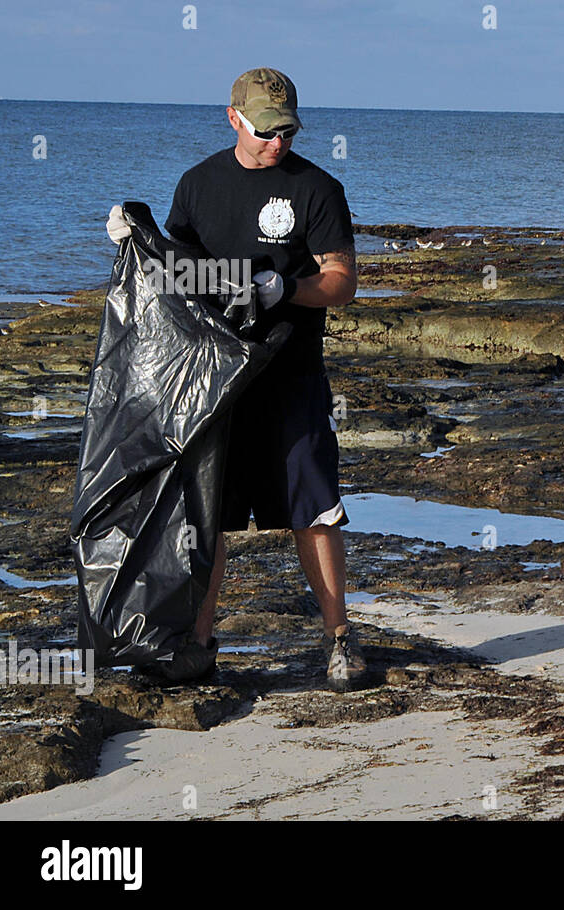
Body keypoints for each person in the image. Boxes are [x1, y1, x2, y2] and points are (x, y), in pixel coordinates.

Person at [105, 68, 366, 691]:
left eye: (288, 131)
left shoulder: (317, 189)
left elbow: (343, 282)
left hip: (290, 376)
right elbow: (177, 271)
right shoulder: (198, 186)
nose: (279, 142)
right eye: (266, 130)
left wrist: (286, 288)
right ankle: (197, 644)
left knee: (315, 511)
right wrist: (131, 241)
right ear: (233, 119)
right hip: (212, 379)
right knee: (207, 514)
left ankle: (339, 641)